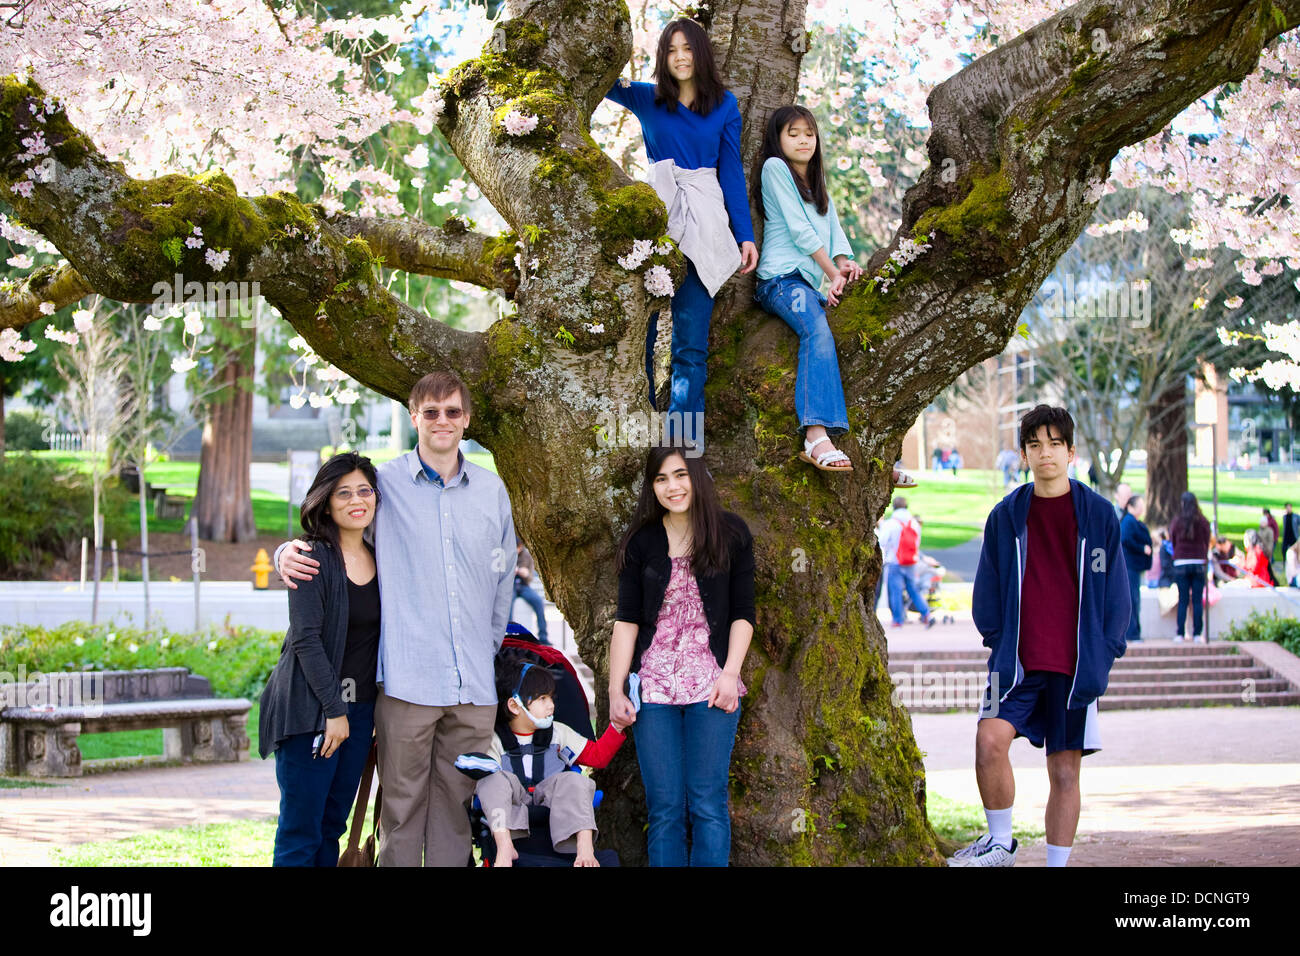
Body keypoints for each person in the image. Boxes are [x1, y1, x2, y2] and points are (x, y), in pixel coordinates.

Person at [277, 371, 517, 867]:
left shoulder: (492, 491)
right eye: (431, 412)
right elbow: (335, 520)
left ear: (467, 420)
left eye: (452, 411)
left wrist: (486, 645)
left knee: (456, 808)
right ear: (414, 419)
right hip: (408, 683)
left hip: (472, 685)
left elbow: (503, 579)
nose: (442, 421)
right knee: (400, 811)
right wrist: (286, 551)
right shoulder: (383, 484)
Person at [950, 405, 1128, 868]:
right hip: (1014, 666)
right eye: (1034, 445)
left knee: (1065, 772)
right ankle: (1000, 844)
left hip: (1074, 671)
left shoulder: (1100, 517)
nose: (1044, 453)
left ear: (1071, 451)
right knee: (988, 741)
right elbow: (987, 591)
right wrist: (998, 641)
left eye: (1053, 444)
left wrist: (1102, 656)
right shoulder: (1006, 516)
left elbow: (1116, 598)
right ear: (1024, 454)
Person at [605, 17, 758, 444]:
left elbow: (730, 171)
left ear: (701, 52)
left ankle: (682, 445)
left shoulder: (725, 104)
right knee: (642, 335)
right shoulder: (647, 98)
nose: (680, 57)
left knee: (690, 347)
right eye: (671, 50)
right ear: (662, 57)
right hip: (658, 217)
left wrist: (744, 235)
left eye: (687, 48)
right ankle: (646, 434)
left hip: (706, 220)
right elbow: (596, 78)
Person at [608, 446, 755, 866]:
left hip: (712, 683)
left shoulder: (731, 534)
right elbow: (627, 620)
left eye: (680, 475)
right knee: (666, 809)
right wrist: (617, 689)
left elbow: (744, 614)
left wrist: (731, 674)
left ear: (697, 477)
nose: (672, 487)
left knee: (707, 804)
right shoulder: (642, 542)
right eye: (661, 479)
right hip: (653, 689)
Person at [259, 452, 381, 866]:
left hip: (359, 712)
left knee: (332, 827)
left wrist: (362, 714)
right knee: (300, 831)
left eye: (364, 490)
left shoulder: (381, 557)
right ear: (327, 501)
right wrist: (334, 710)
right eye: (344, 493)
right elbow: (306, 641)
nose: (356, 500)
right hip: (310, 710)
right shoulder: (309, 557)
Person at [460, 658, 626, 867]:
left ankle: (585, 848)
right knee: (492, 780)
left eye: (551, 697)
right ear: (514, 704)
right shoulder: (494, 740)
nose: (552, 705)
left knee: (574, 780)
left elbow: (598, 757)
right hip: (513, 807)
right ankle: (504, 847)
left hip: (553, 801)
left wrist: (618, 727)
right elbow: (489, 789)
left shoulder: (558, 733)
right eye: (542, 698)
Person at [880, 495, 935, 628]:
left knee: (896, 591)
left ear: (893, 507)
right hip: (911, 561)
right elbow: (917, 542)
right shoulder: (914, 523)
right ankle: (926, 613)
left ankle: (898, 620)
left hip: (895, 561)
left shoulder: (890, 523)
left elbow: (882, 541)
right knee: (913, 589)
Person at [1168, 491, 1212, 643]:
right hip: (1198, 562)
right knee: (1197, 600)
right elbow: (1207, 540)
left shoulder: (1177, 521)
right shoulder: (1202, 521)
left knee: (1183, 599)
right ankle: (1197, 634)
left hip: (1181, 563)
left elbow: (1172, 539)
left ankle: (1180, 633)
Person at [1119, 494, 1152, 642]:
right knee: (1132, 598)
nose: (1142, 508)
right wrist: (1142, 548)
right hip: (1130, 566)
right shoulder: (1128, 522)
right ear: (1131, 507)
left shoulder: (1134, 522)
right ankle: (1132, 632)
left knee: (1135, 598)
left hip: (1135, 566)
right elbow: (1125, 539)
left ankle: (1134, 631)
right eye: (1139, 505)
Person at [511, 541, 548, 645]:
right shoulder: (506, 554)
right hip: (510, 586)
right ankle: (508, 634)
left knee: (538, 602)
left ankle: (543, 636)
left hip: (524, 585)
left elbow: (529, 575)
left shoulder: (526, 555)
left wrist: (523, 572)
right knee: (506, 606)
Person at [1257, 514, 1279, 586]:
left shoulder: (1269, 531)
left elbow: (1270, 542)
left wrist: (1268, 552)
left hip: (1266, 552)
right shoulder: (1260, 530)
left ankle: (1271, 581)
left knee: (1268, 568)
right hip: (1260, 552)